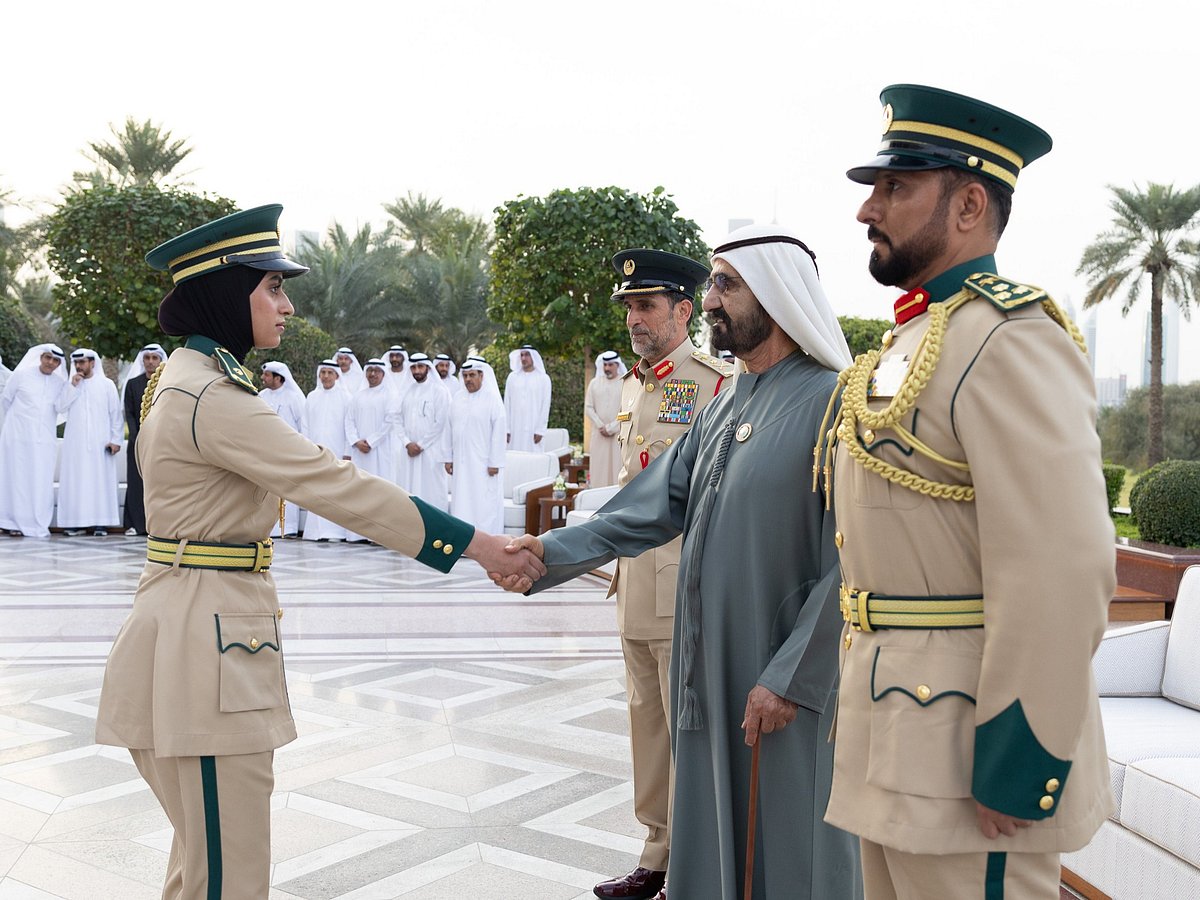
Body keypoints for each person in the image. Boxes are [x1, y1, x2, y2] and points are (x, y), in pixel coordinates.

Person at [94, 204, 544, 900]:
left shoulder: (180, 380)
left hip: (183, 629)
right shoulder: (211, 396)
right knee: (228, 879)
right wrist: (478, 546)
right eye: (272, 287)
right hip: (206, 652)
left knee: (201, 868)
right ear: (224, 292)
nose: (288, 304)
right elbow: (334, 484)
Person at [820, 85, 1115, 900]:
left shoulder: (1009, 339)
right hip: (896, 731)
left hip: (966, 750)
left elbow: (1062, 566)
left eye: (893, 189)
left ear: (969, 204)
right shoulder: (914, 338)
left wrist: (1023, 754)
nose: (866, 210)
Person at [504, 227, 861, 900]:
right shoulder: (729, 400)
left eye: (726, 285)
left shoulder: (833, 403)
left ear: (778, 295)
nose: (712, 301)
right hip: (708, 668)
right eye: (712, 286)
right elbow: (650, 505)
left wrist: (791, 676)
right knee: (708, 841)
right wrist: (546, 554)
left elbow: (856, 560)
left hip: (778, 686)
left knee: (788, 852)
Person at [587, 251, 731, 900]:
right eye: (628, 307)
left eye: (645, 306)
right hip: (635, 587)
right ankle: (656, 855)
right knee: (647, 731)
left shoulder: (715, 381)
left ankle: (694, 868)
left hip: (684, 588)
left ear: (682, 310)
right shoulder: (634, 384)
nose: (633, 318)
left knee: (687, 735)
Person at [0, 343, 68, 538]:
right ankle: (10, 522)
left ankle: (36, 522)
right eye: (48, 357)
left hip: (43, 440)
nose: (51, 362)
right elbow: (6, 400)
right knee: (16, 479)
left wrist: (73, 385)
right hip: (17, 437)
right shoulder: (21, 375)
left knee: (39, 480)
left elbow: (61, 407)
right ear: (40, 357)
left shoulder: (59, 383)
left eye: (55, 360)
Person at [58, 348, 123, 536]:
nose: (79, 366)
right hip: (75, 445)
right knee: (76, 482)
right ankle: (74, 523)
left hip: (101, 444)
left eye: (83, 362)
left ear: (92, 363)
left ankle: (100, 523)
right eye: (76, 363)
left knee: (99, 482)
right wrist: (72, 386)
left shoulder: (106, 384)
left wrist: (116, 439)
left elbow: (115, 415)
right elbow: (60, 407)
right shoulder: (69, 385)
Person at [444, 357, 506, 532]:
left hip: (484, 464)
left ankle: (487, 540)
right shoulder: (457, 398)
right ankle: (464, 541)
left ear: (482, 376)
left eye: (472, 375)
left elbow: (499, 433)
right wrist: (448, 458)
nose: (468, 379)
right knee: (461, 499)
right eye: (465, 376)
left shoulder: (492, 400)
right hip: (461, 464)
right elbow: (448, 430)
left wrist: (495, 462)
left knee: (484, 502)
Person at [344, 358, 399, 541]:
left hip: (381, 453)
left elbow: (389, 422)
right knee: (360, 490)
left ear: (383, 374)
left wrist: (371, 441)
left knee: (380, 491)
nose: (373, 374)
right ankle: (358, 534)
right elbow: (349, 421)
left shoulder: (390, 396)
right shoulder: (358, 396)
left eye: (376, 371)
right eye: (370, 370)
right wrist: (356, 441)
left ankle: (380, 535)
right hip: (360, 452)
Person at [301, 360, 350, 542]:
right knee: (316, 490)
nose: (326, 376)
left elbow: (348, 427)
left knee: (336, 489)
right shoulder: (312, 396)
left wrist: (347, 451)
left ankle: (335, 532)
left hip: (338, 452)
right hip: (315, 452)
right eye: (323, 372)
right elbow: (305, 425)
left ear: (337, 376)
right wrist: (306, 448)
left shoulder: (346, 398)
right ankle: (315, 532)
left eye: (330, 373)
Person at [396, 352, 451, 510]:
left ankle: (437, 529)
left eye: (420, 366)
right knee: (408, 489)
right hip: (408, 451)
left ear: (428, 367)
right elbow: (396, 418)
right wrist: (407, 443)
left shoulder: (439, 391)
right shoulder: (406, 391)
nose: (417, 371)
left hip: (431, 451)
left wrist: (420, 445)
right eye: (413, 367)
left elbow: (440, 422)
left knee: (432, 490)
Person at [122, 343, 167, 535]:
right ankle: (135, 525)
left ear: (160, 361)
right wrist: (137, 436)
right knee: (135, 482)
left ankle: (159, 525)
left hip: (162, 443)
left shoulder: (167, 384)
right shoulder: (133, 384)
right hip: (137, 442)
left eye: (154, 358)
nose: (150, 362)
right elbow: (129, 413)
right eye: (146, 358)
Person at [260, 361, 306, 537]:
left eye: (267, 375)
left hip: (288, 452)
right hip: (265, 452)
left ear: (278, 378)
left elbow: (303, 424)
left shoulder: (293, 398)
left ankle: (289, 528)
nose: (263, 378)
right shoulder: (261, 395)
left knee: (286, 490)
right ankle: (267, 528)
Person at [582, 349, 627, 489]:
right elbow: (588, 407)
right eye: (605, 365)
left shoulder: (625, 382)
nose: (607, 368)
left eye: (610, 365)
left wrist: (612, 427)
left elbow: (627, 410)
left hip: (618, 435)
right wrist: (601, 425)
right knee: (598, 469)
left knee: (617, 469)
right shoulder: (594, 383)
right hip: (599, 434)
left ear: (617, 365)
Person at [504, 344, 551, 451]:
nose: (524, 358)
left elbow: (545, 406)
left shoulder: (543, 379)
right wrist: (506, 429)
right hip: (514, 428)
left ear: (534, 357)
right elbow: (507, 403)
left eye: (527, 355)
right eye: (522, 355)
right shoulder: (512, 377)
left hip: (534, 429)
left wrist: (540, 430)